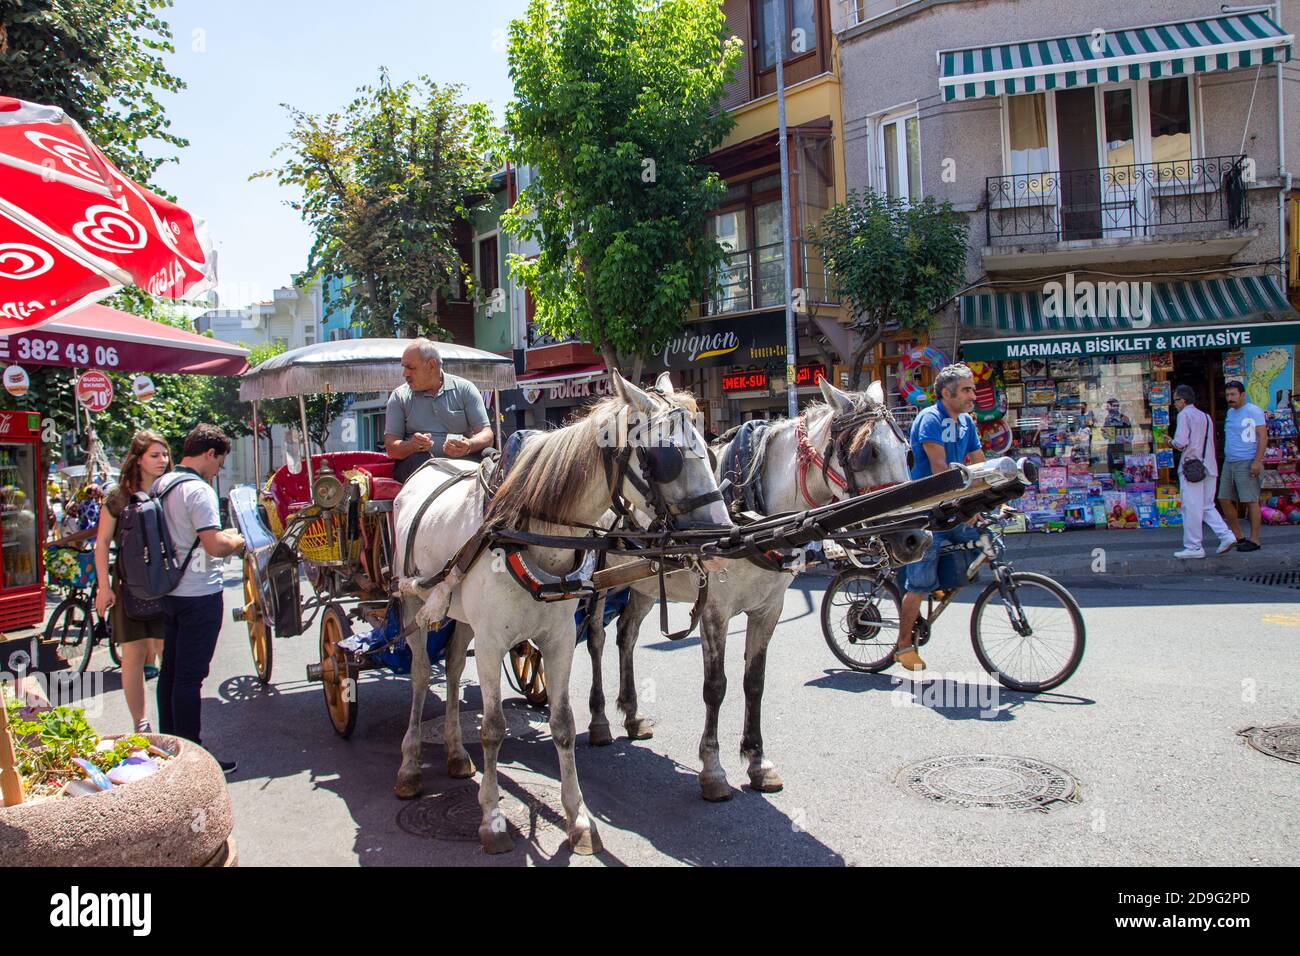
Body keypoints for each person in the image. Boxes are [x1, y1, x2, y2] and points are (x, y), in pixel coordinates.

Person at [153, 424, 245, 773]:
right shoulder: (198, 491)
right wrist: (236, 541)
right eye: (219, 461)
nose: (219, 469)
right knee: (190, 678)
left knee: (170, 673)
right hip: (199, 591)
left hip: (170, 590)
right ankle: (192, 760)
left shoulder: (162, 485)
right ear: (209, 454)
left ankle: (168, 746)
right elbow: (214, 545)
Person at [895, 364, 986, 672]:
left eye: (972, 389)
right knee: (918, 584)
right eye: (966, 390)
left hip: (955, 508)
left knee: (980, 548)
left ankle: (939, 583)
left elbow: (980, 465)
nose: (973, 394)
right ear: (946, 393)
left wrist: (992, 495)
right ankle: (903, 645)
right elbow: (939, 470)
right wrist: (967, 503)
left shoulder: (967, 423)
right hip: (928, 511)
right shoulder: (929, 419)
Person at [93, 430, 170, 733]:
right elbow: (101, 543)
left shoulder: (170, 490)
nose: (162, 460)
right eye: (155, 455)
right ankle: (141, 724)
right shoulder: (118, 496)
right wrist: (104, 587)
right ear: (138, 460)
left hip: (165, 585)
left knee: (169, 654)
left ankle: (172, 723)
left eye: (164, 454)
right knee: (133, 656)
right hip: (129, 586)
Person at [383, 338, 494, 482]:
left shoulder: (465, 389)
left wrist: (469, 445)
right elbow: (391, 447)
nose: (405, 374)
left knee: (492, 456)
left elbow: (486, 434)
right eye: (404, 367)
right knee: (421, 459)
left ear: (431, 365)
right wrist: (411, 446)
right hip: (417, 464)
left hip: (463, 459)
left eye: (411, 367)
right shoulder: (399, 396)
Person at [1171, 384, 1235, 559]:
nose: (1174, 404)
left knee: (1191, 508)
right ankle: (1226, 535)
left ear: (1182, 401)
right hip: (1209, 467)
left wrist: (1170, 442)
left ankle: (1193, 546)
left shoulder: (1184, 415)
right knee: (1207, 505)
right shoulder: (1205, 416)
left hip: (1192, 468)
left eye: (1175, 400)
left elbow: (1181, 442)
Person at [1218, 380, 1266, 552]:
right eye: (1228, 395)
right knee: (1223, 498)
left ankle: (1254, 540)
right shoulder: (1230, 413)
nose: (1230, 398)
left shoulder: (1254, 411)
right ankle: (1239, 536)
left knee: (1251, 500)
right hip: (1230, 462)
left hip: (1247, 460)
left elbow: (1263, 437)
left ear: (1242, 394)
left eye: (1233, 394)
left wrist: (1257, 461)